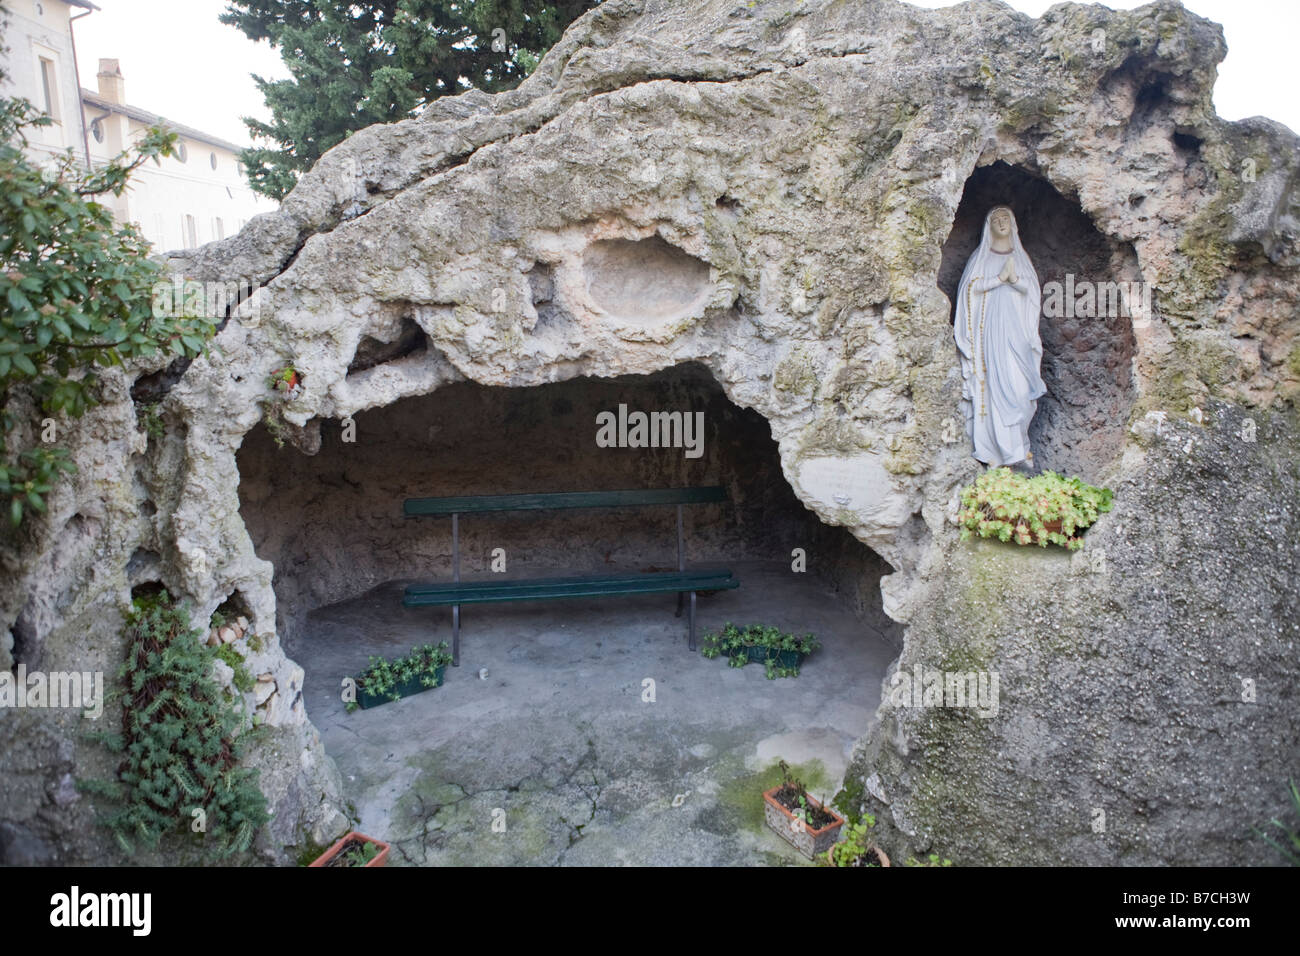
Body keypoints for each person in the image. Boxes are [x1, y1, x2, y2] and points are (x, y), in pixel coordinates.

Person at [953, 205, 1046, 468]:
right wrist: (998, 279)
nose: (1002, 222)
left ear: (1014, 225)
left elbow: (1032, 295)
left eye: (1007, 218)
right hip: (989, 340)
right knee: (993, 389)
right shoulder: (980, 259)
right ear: (989, 226)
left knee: (1020, 392)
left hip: (1017, 338)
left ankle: (1018, 447)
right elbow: (969, 291)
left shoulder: (1021, 259)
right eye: (997, 219)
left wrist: (1014, 279)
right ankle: (997, 452)